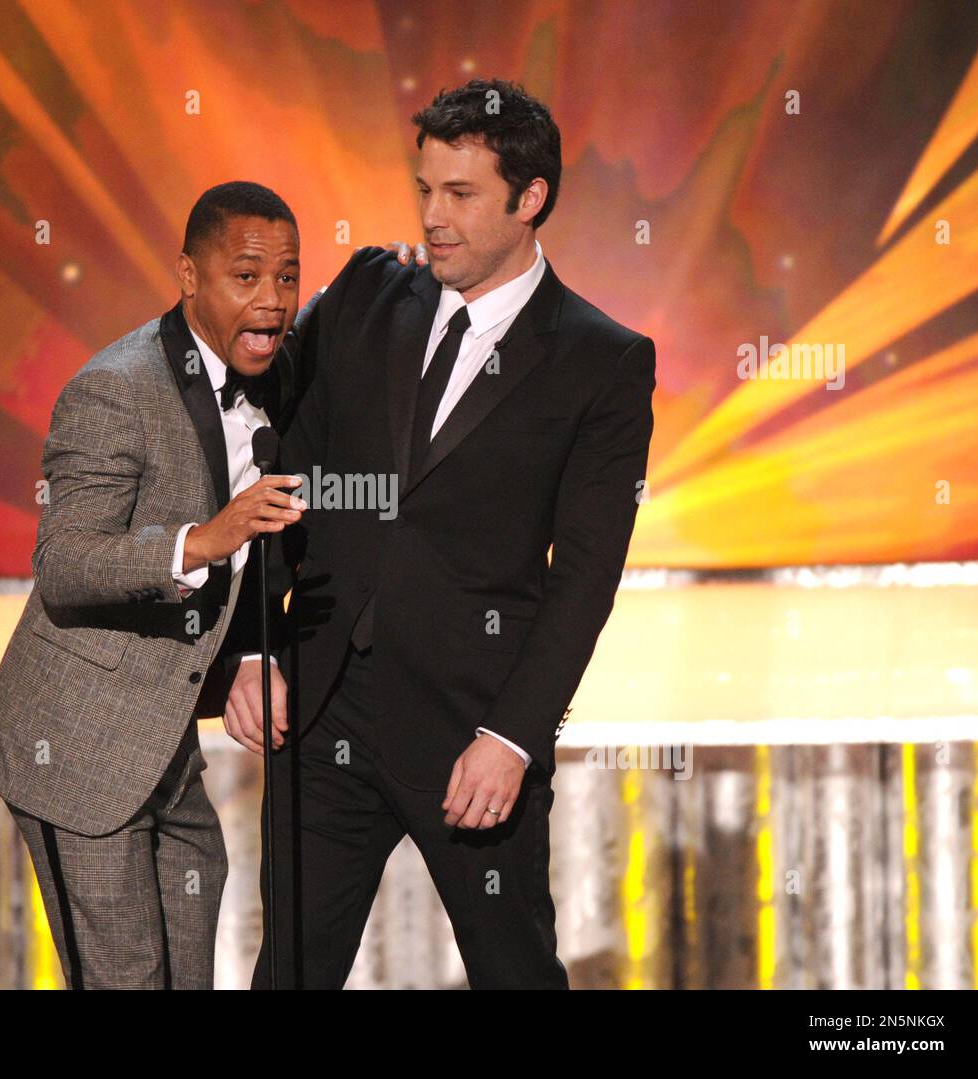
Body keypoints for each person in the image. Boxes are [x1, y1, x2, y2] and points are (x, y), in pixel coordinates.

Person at [225, 80, 657, 989]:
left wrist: (512, 736)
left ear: (529, 198)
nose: (433, 217)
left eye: (459, 195)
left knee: (515, 973)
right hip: (322, 704)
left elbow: (585, 573)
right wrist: (254, 649)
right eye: (425, 189)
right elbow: (281, 475)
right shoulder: (368, 293)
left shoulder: (601, 358)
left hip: (473, 725)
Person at [0, 181, 309, 989]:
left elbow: (269, 546)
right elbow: (66, 562)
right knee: (124, 975)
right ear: (189, 277)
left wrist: (254, 655)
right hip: (79, 748)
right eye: (248, 276)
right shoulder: (115, 389)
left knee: (186, 966)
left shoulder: (287, 377)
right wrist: (203, 539)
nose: (272, 301)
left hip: (165, 750)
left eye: (288, 277)